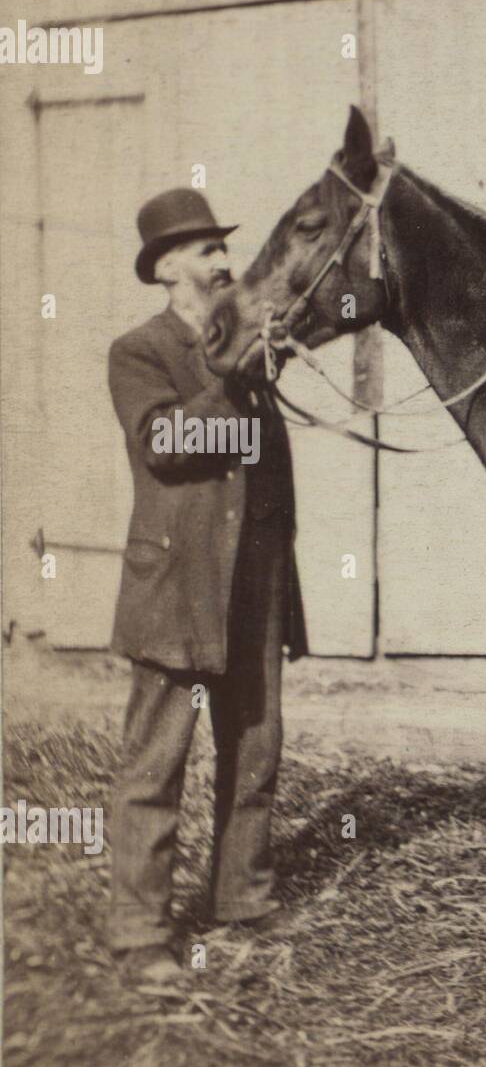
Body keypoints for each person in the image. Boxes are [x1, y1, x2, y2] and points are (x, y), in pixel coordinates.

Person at [106, 188, 307, 983]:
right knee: (155, 764)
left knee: (255, 751)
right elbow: (168, 444)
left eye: (223, 248)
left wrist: (258, 367)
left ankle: (242, 900)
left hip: (252, 588)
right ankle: (138, 936)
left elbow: (269, 478)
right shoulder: (139, 351)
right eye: (203, 251)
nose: (225, 262)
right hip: (177, 589)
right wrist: (232, 374)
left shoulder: (243, 352)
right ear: (164, 269)